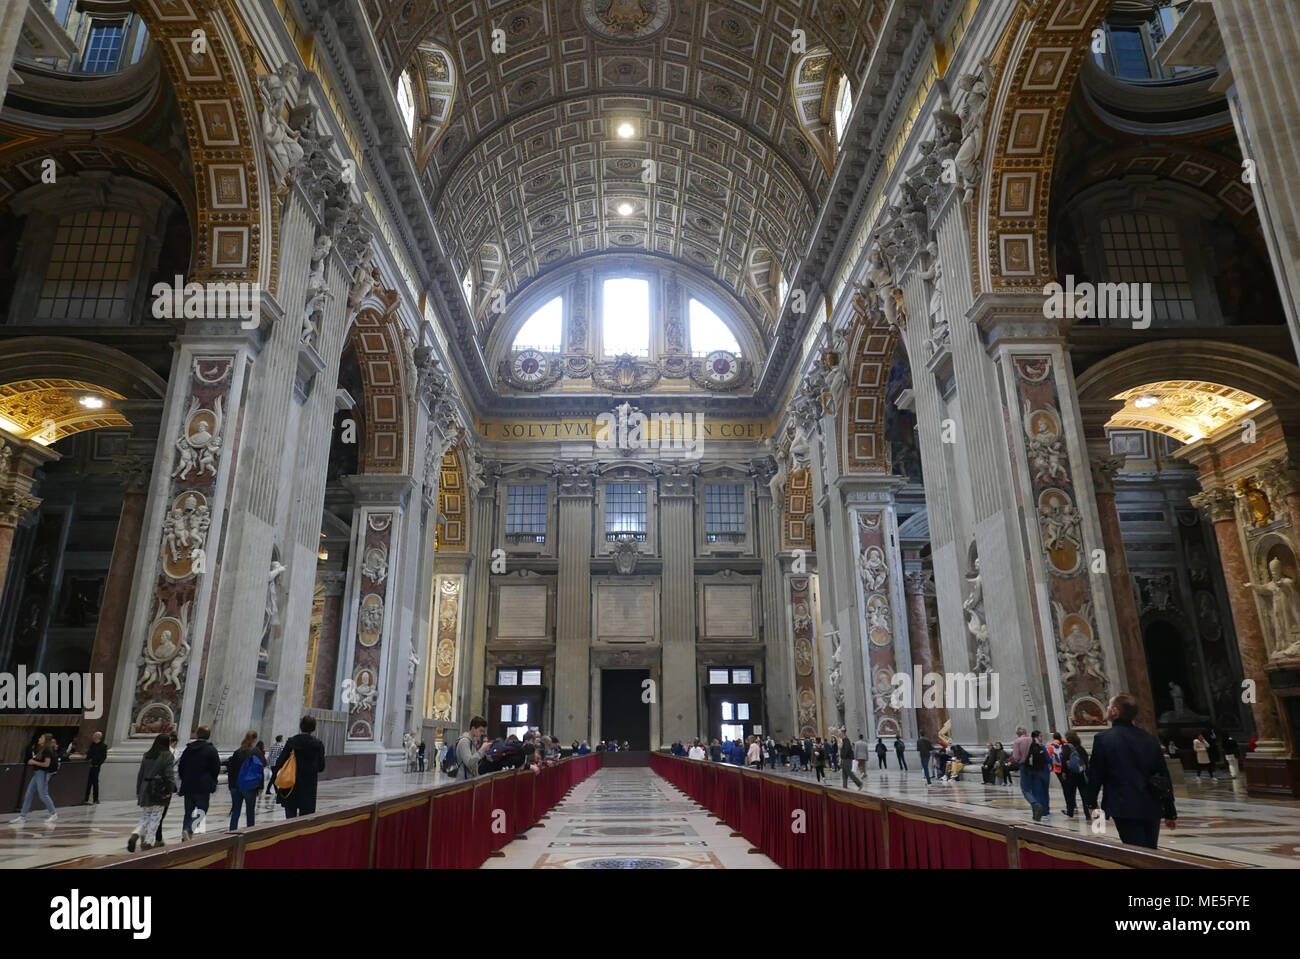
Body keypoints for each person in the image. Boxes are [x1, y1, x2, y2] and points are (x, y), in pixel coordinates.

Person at [1089, 693, 1178, 848]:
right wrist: (1170, 811)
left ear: (1115, 712)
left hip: (1123, 805)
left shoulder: (1103, 739)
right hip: (1151, 804)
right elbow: (1163, 776)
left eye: (1109, 706)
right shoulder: (1149, 738)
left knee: (1135, 851)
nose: (1107, 709)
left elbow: (1096, 775)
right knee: (1150, 849)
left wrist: (1091, 804)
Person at [128, 733, 176, 853]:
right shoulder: (167, 755)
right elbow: (169, 774)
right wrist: (170, 789)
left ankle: (136, 834)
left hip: (145, 788)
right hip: (159, 790)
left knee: (146, 816)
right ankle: (149, 842)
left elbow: (141, 774)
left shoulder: (147, 755)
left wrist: (139, 790)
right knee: (155, 817)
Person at [272, 715, 327, 817]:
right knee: (305, 821)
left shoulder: (291, 742)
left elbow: (280, 761)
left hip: (290, 784)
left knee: (290, 819)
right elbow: (321, 767)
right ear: (313, 728)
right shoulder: (318, 744)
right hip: (308, 787)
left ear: (301, 726)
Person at [177, 725, 221, 840]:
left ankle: (185, 833)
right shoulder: (211, 750)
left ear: (197, 734)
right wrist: (213, 781)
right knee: (202, 810)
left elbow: (181, 766)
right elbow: (216, 768)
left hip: (188, 785)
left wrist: (184, 779)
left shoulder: (188, 749)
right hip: (203, 786)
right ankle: (190, 829)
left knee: (188, 812)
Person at [9, 732, 59, 826]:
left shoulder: (47, 750)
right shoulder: (41, 749)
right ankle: (22, 816)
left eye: (41, 737)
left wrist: (34, 762)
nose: (39, 739)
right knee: (29, 794)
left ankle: (53, 813)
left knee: (43, 794)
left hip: (42, 774)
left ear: (45, 740)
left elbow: (46, 764)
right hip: (37, 774)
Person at [225, 730, 264, 830]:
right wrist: (260, 786)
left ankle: (232, 832)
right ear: (255, 739)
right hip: (249, 786)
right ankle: (250, 833)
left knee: (235, 812)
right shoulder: (256, 752)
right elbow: (260, 770)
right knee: (250, 812)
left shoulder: (238, 752)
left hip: (236, 785)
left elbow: (231, 770)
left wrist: (231, 786)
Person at [1060, 730, 1095, 819]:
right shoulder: (1081, 748)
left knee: (1070, 794)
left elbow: (1064, 760)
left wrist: (1063, 772)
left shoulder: (1067, 747)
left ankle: (1070, 812)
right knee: (1084, 795)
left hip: (1071, 775)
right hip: (1081, 775)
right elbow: (1086, 760)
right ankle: (1087, 814)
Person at [153, 733, 180, 845]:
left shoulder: (151, 753)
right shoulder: (172, 753)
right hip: (163, 785)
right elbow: (168, 773)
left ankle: (150, 835)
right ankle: (157, 838)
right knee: (161, 812)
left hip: (151, 785)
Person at [452, 715, 493, 781]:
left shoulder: (473, 742)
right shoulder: (464, 741)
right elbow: (469, 763)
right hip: (463, 781)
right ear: (473, 728)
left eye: (483, 731)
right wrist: (482, 750)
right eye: (481, 730)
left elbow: (475, 762)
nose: (482, 733)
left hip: (470, 780)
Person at [85, 730, 107, 804]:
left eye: (94, 735)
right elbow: (88, 755)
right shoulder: (92, 745)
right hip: (89, 766)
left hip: (96, 766)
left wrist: (98, 763)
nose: (92, 736)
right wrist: (87, 761)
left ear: (97, 737)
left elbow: (103, 757)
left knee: (95, 782)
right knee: (88, 783)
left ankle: (95, 799)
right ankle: (86, 798)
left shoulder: (103, 746)